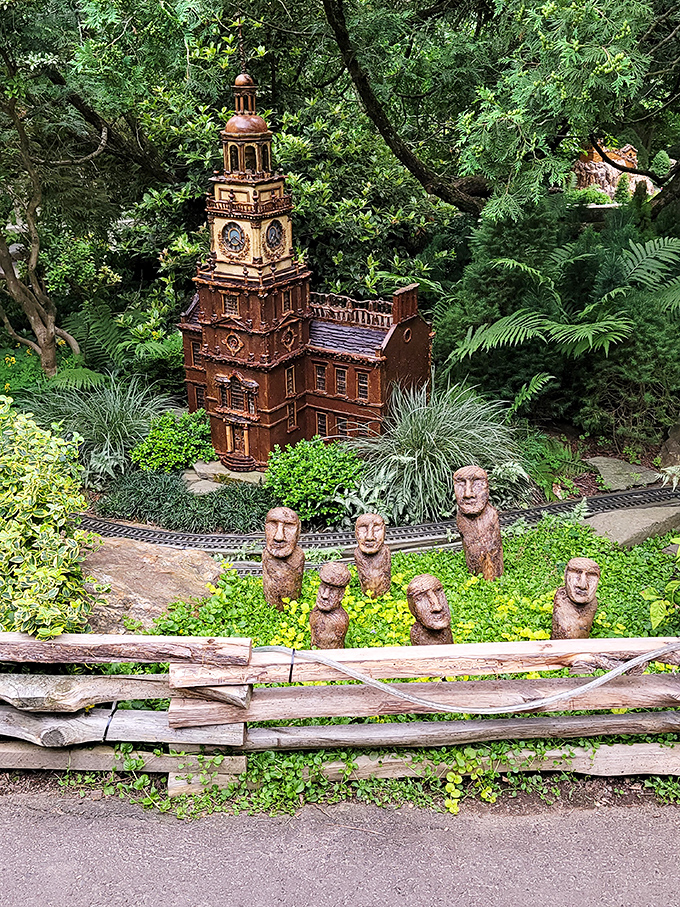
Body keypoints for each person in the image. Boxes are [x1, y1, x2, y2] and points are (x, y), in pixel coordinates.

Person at [453, 464, 503, 580]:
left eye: (477, 484)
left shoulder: (491, 516)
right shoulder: (461, 518)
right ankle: (476, 574)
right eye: (461, 484)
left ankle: (492, 576)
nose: (468, 494)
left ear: (487, 487)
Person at [262, 506, 304, 610]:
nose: (279, 537)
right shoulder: (266, 555)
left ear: (298, 531)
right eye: (272, 525)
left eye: (289, 526)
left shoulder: (298, 557)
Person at [552, 557, 601, 639]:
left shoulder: (592, 603)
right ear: (565, 575)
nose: (582, 585)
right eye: (577, 573)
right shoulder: (561, 600)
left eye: (591, 575)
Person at [309, 562, 352, 649]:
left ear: (341, 595)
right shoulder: (315, 613)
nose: (325, 595)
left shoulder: (339, 621)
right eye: (323, 587)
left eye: (332, 591)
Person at [407, 574, 453, 646]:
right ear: (413, 608)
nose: (437, 607)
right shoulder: (419, 636)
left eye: (438, 591)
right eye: (421, 597)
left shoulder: (446, 631)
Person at [354, 513, 391, 597]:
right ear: (355, 532)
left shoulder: (385, 551)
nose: (369, 537)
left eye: (377, 529)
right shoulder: (358, 553)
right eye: (363, 529)